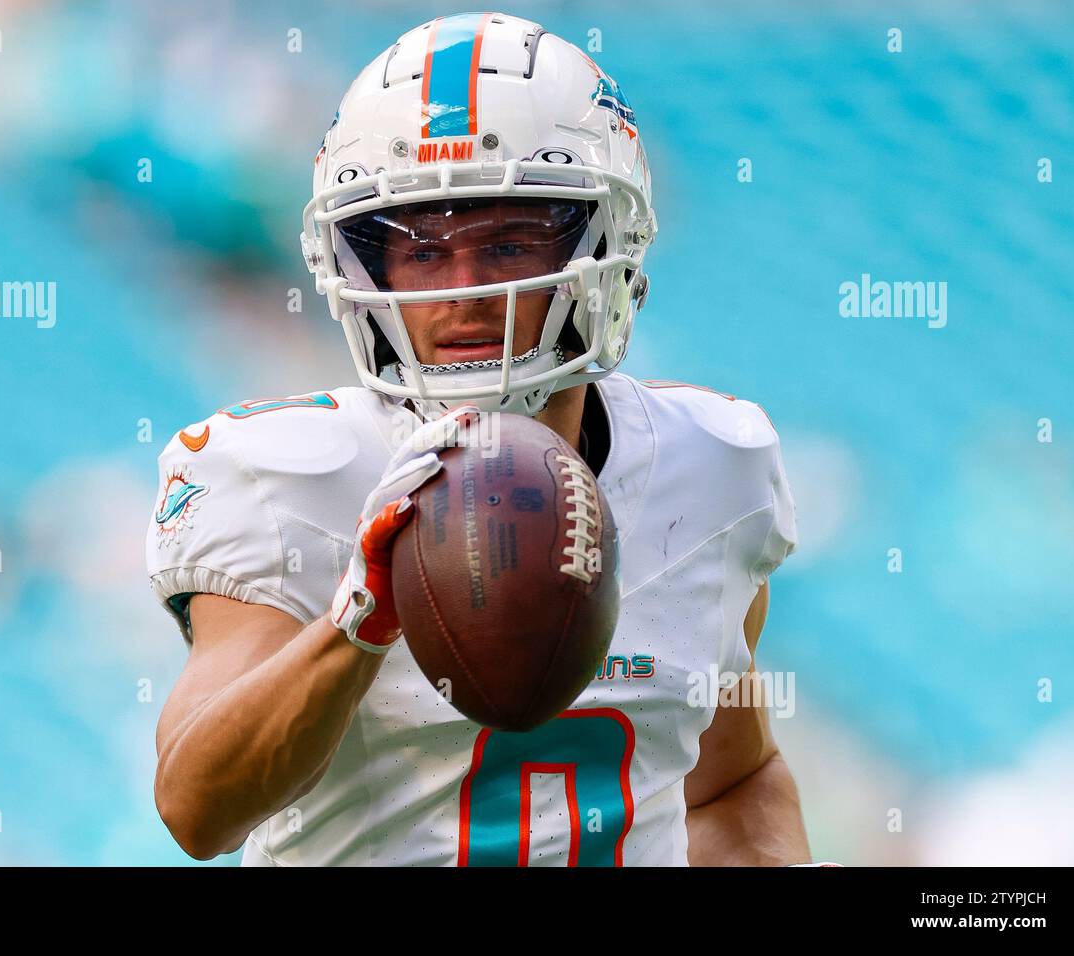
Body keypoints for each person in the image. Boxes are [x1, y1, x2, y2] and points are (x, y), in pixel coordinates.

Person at [145, 12, 813, 866]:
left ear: (605, 243)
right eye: (419, 249)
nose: (462, 293)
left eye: (506, 242)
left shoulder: (712, 464)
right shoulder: (286, 477)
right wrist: (357, 620)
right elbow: (197, 809)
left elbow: (730, 783)